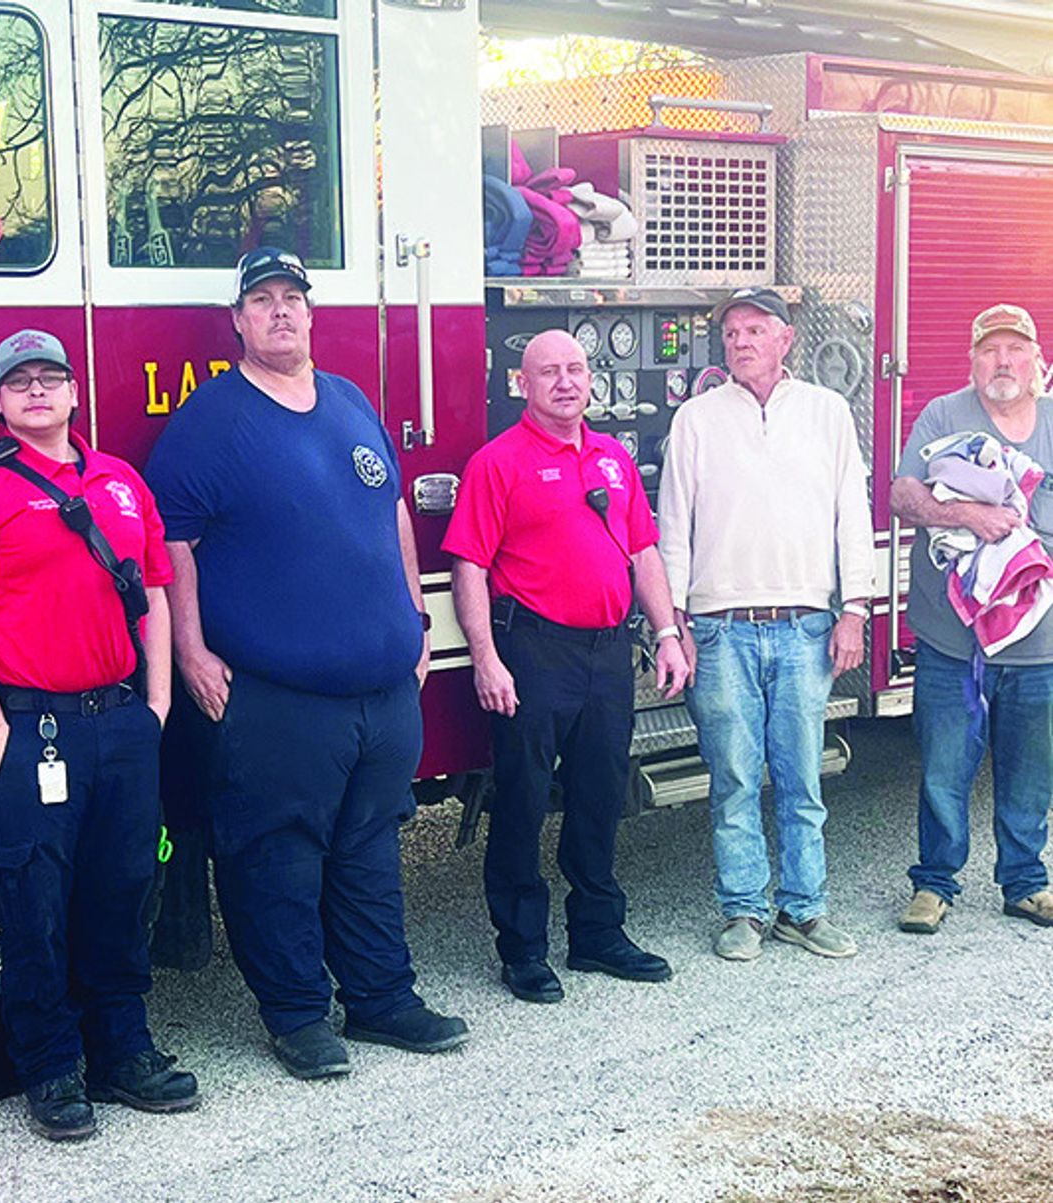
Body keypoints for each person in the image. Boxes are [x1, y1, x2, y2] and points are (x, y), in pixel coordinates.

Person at [144, 247, 467, 1079]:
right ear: (239, 321)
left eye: (294, 297)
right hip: (276, 697)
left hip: (381, 687)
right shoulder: (211, 418)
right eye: (264, 300)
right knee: (276, 858)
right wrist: (191, 651)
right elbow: (169, 538)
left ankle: (383, 998)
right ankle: (295, 1017)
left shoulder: (352, 400)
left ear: (312, 314)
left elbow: (391, 505)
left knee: (369, 850)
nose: (281, 311)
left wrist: (415, 612)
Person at [0, 329, 197, 1141]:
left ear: (75, 395)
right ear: (0, 403)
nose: (38, 391)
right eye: (22, 382)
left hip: (122, 726)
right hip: (33, 729)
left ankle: (123, 1051)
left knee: (122, 890)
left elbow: (151, 592)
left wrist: (156, 706)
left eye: (52, 378)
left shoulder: (121, 483)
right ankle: (50, 1067)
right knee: (33, 903)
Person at [443, 328, 691, 1005]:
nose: (566, 381)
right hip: (534, 650)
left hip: (608, 650)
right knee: (522, 799)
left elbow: (643, 552)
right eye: (549, 371)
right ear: (523, 384)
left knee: (600, 793)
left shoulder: (612, 457)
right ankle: (523, 949)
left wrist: (667, 632)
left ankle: (597, 933)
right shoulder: (498, 462)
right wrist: (485, 658)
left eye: (576, 369)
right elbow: (469, 563)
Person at [658, 287, 873, 962]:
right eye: (731, 332)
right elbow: (674, 527)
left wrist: (856, 609)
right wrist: (674, 623)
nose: (741, 340)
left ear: (787, 339)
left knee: (802, 777)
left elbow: (853, 515)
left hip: (806, 623)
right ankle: (744, 909)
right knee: (734, 777)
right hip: (720, 628)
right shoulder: (695, 418)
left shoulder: (827, 412)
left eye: (755, 329)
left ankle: (804, 910)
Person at [891, 303, 1053, 934]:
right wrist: (970, 517)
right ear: (973, 361)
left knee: (1030, 765)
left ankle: (1025, 882)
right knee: (943, 764)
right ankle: (934, 883)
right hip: (952, 642)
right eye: (990, 350)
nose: (1003, 362)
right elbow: (903, 495)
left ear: (1038, 362)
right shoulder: (944, 415)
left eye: (1016, 350)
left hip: (1038, 643)